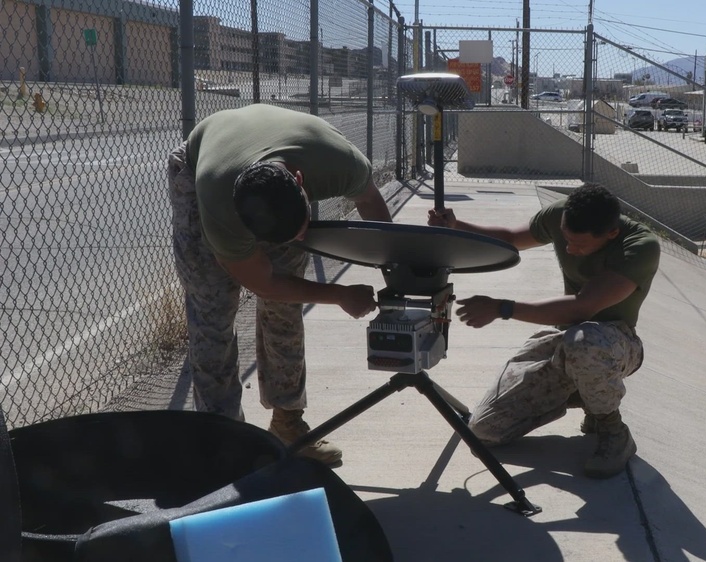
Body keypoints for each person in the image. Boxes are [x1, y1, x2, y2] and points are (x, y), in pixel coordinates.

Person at [168, 104, 392, 467]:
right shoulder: (221, 208)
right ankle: (226, 443)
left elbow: (370, 203)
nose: (302, 236)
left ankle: (288, 426)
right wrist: (338, 295)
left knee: (285, 310)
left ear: (301, 182)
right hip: (198, 167)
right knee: (212, 315)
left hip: (268, 155)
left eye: (303, 225)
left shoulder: (338, 163)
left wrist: (393, 271)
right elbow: (266, 283)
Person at [427, 185, 660, 478]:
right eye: (565, 239)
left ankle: (612, 429)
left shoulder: (639, 246)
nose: (569, 249)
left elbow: (582, 308)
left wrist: (502, 308)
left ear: (610, 234)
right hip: (565, 337)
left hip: (617, 343)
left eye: (579, 245)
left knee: (584, 341)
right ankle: (584, 391)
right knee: (484, 430)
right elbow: (512, 239)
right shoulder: (562, 213)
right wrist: (456, 226)